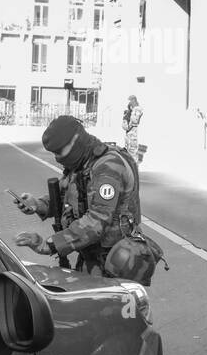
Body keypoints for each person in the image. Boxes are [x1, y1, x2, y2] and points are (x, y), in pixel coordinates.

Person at [14, 115, 140, 275]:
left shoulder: (108, 167)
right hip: (92, 257)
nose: (57, 158)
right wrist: (37, 205)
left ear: (77, 140)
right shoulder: (82, 162)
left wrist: (51, 245)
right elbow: (64, 196)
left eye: (60, 152)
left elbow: (97, 221)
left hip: (115, 262)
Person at [122, 95, 143, 160]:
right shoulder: (133, 110)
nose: (129, 103)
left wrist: (126, 118)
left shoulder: (136, 109)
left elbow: (134, 121)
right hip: (130, 133)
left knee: (132, 151)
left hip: (132, 132)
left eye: (130, 101)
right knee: (129, 151)